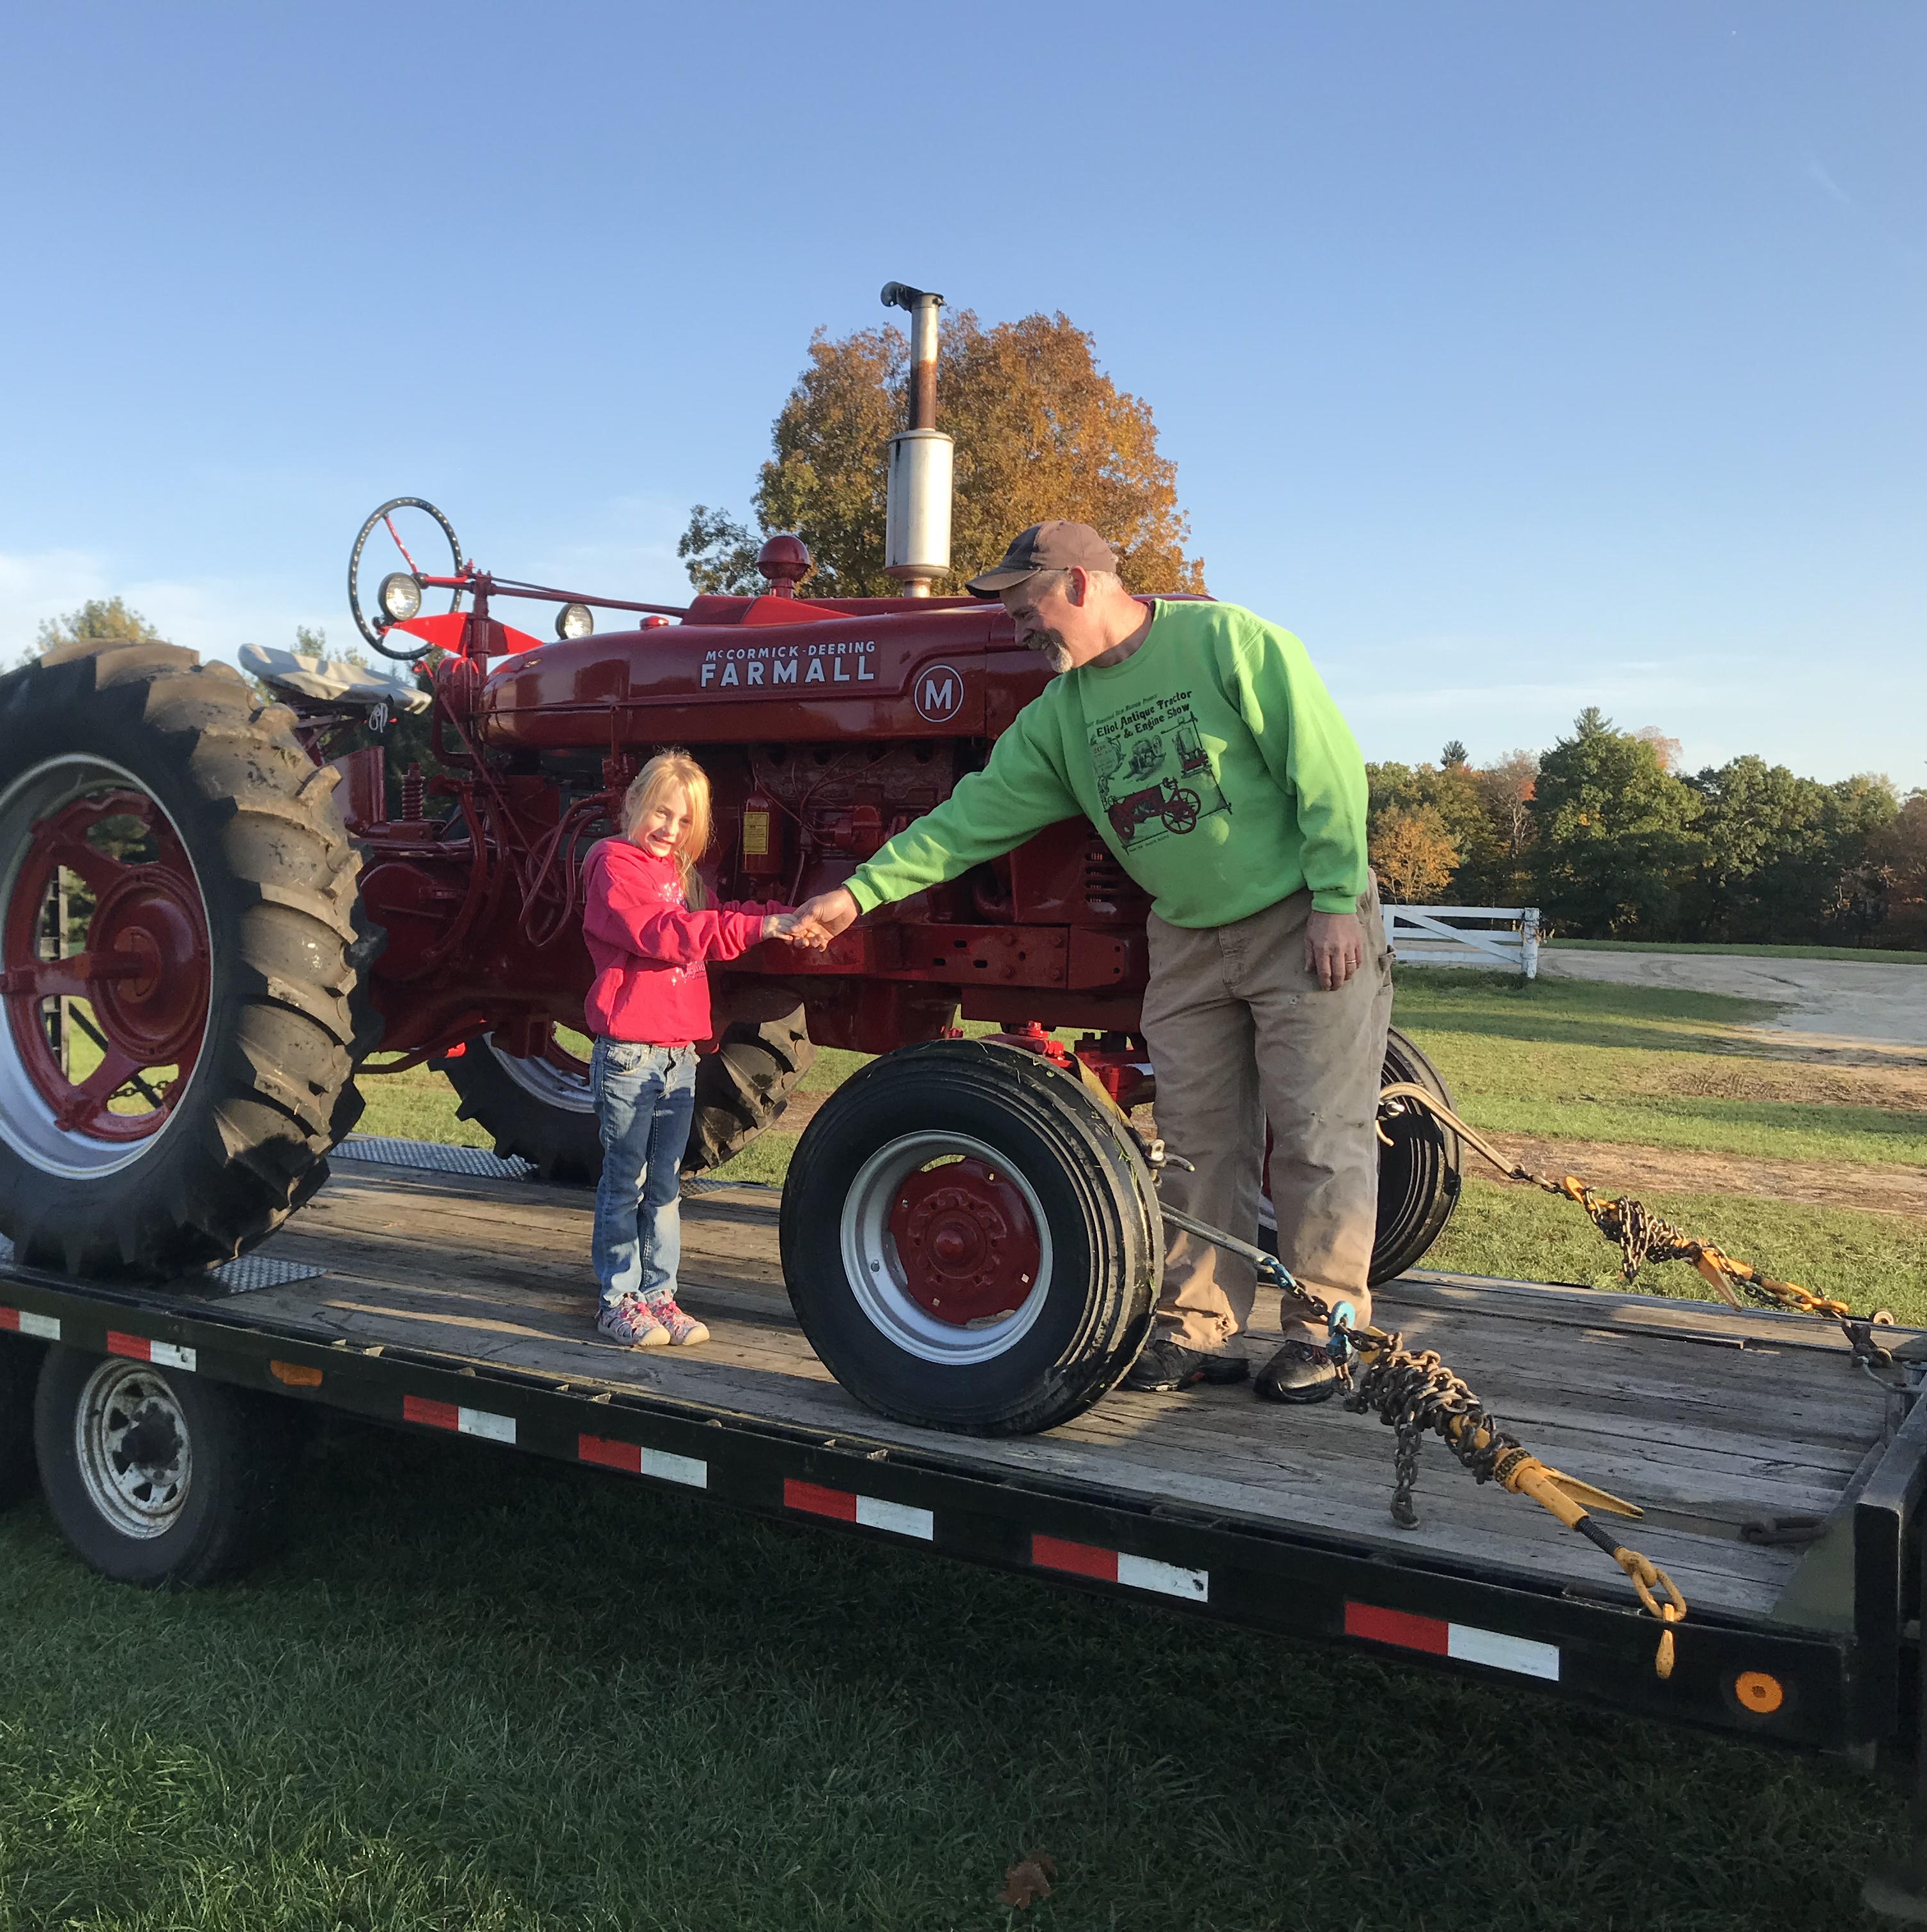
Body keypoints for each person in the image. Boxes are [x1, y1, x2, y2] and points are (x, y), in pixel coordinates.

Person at [790, 522, 1391, 1404]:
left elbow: (1324, 766)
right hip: (1187, 935)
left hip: (1301, 916)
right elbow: (966, 822)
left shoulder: (1225, 640)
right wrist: (855, 896)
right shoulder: (1060, 718)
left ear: (1078, 583)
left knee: (1316, 1134)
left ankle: (1326, 1334)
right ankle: (1198, 1324)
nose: (1018, 628)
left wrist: (1336, 898)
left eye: (1024, 607)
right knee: (1197, 1143)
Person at [581, 749, 812, 1349]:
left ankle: (659, 1295)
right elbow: (664, 935)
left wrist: (784, 917)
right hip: (631, 1055)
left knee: (664, 1183)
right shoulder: (613, 865)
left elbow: (718, 921)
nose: (670, 829)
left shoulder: (682, 877)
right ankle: (617, 1301)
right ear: (633, 803)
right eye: (661, 812)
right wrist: (759, 928)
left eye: (685, 821)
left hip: (678, 1054)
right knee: (625, 1180)